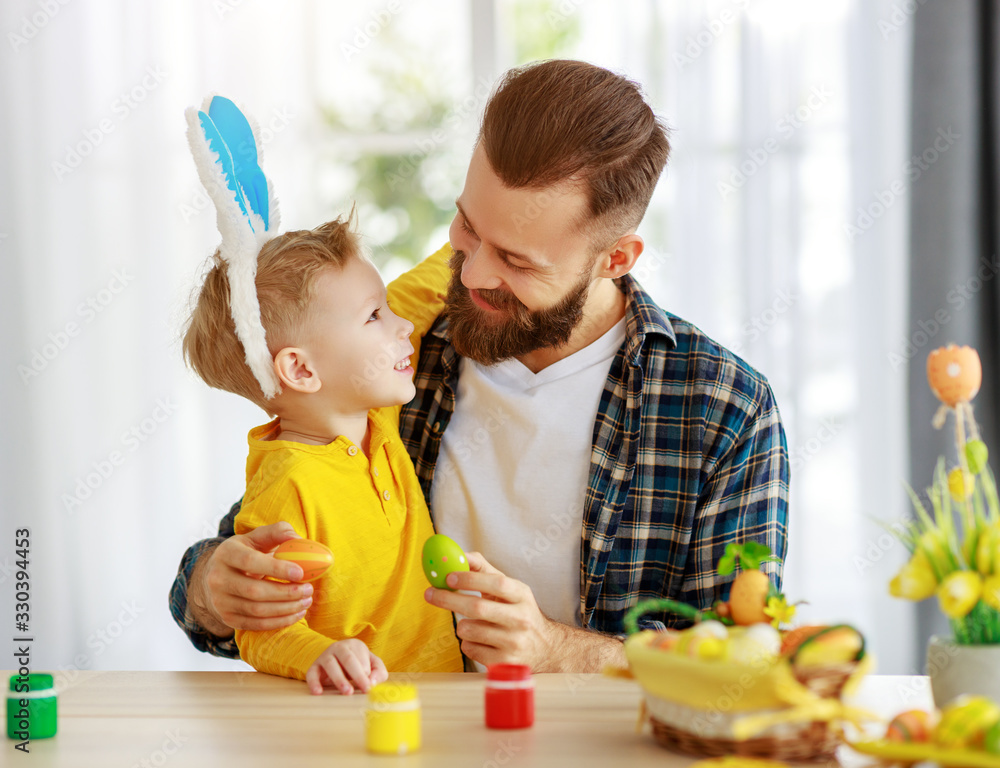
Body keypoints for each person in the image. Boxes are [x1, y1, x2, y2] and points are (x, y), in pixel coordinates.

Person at [170, 60, 789, 673]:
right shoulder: (396, 356)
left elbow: (745, 662)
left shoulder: (723, 408)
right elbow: (254, 552)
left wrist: (558, 651)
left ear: (615, 258)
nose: (470, 275)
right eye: (466, 228)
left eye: (517, 262)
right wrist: (216, 590)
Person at [181, 96, 462, 693]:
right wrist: (318, 654)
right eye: (373, 317)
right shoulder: (287, 486)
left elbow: (415, 294)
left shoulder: (370, 411)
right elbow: (262, 624)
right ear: (303, 370)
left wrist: (472, 246)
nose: (401, 326)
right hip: (362, 716)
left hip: (443, 708)